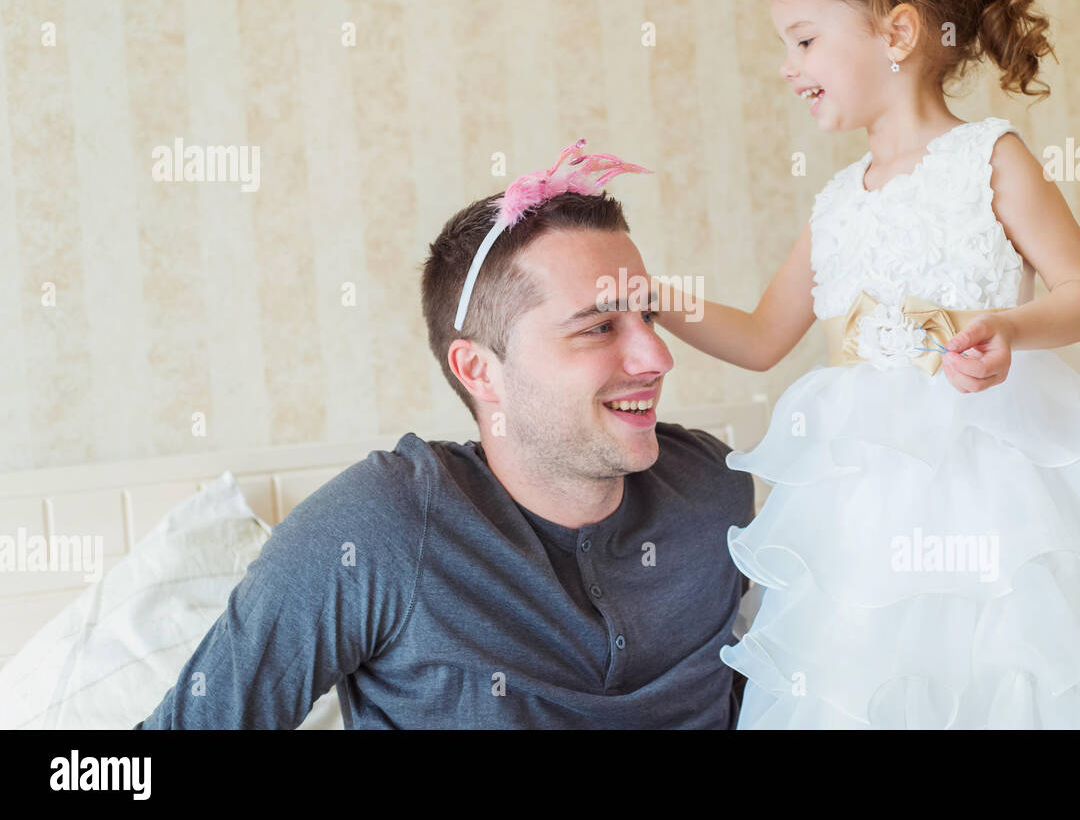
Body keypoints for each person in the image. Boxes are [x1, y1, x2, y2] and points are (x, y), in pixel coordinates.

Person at [650, 0, 1080, 728]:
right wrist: (652, 295)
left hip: (982, 483)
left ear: (899, 33)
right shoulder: (836, 202)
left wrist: (1008, 328)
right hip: (861, 507)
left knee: (996, 667)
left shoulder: (988, 158)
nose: (787, 67)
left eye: (803, 40)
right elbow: (761, 337)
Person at [134, 141, 755, 729]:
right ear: (479, 370)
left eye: (646, 314)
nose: (657, 356)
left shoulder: (713, 486)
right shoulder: (379, 529)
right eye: (598, 328)